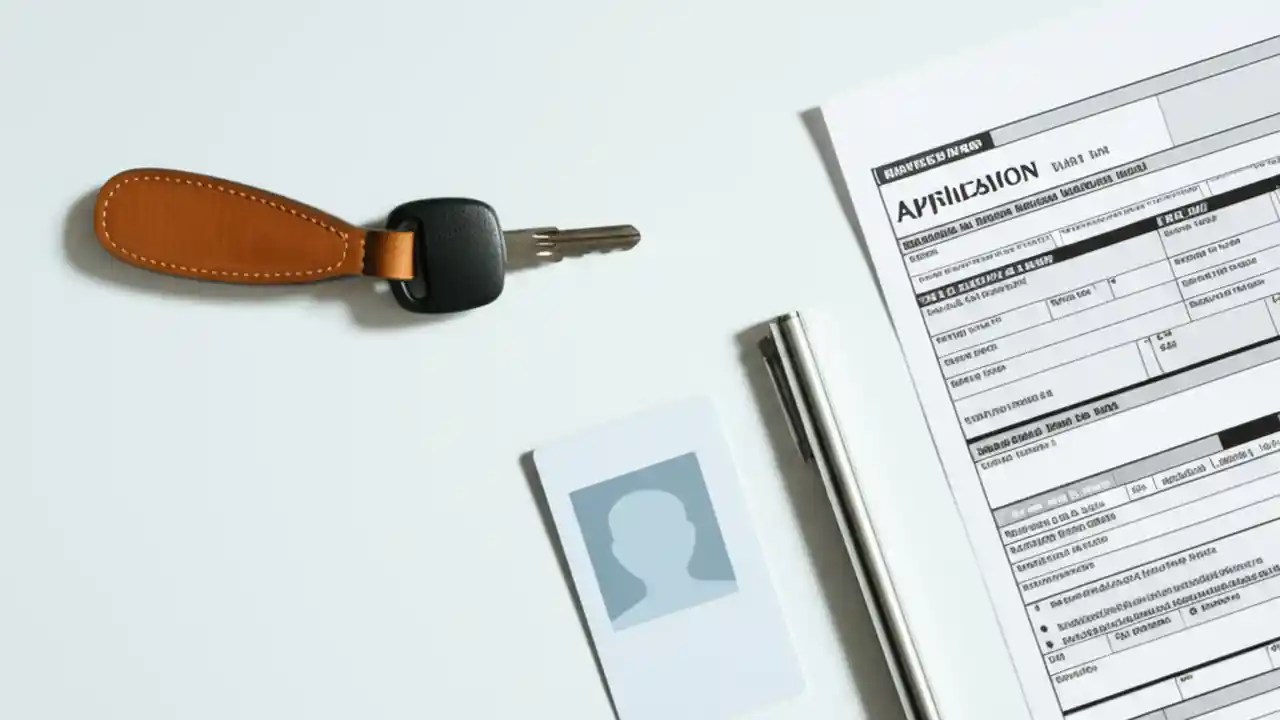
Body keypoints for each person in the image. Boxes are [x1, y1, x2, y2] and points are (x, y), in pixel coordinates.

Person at [607, 489, 735, 629]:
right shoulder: (623, 626)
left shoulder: (734, 593)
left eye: (665, 532)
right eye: (639, 538)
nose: (655, 546)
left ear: (689, 534)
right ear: (620, 553)